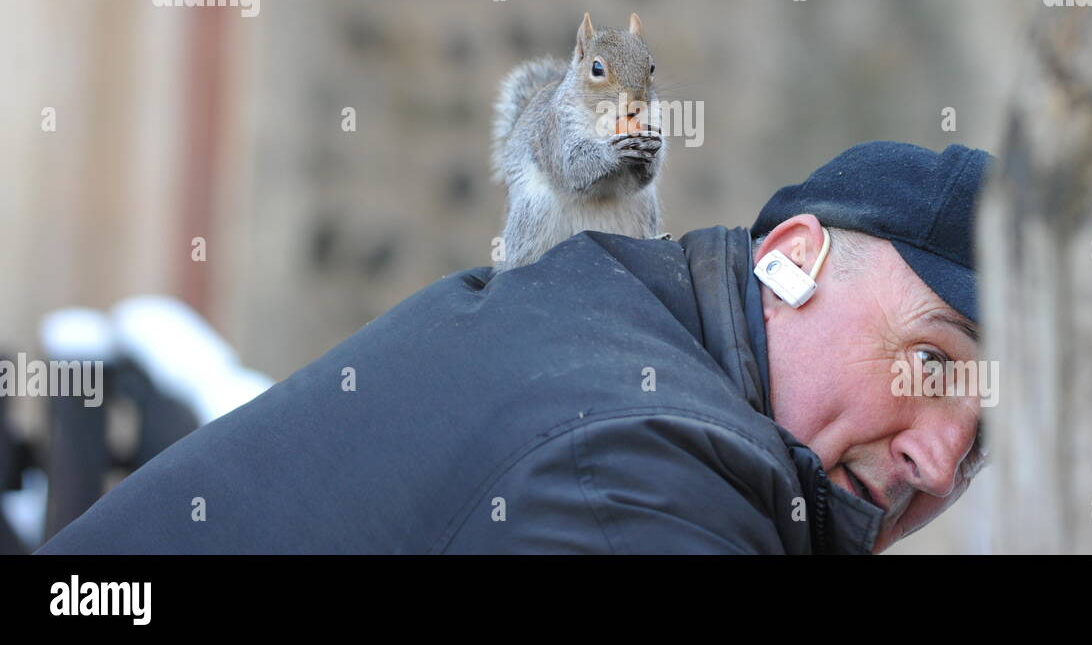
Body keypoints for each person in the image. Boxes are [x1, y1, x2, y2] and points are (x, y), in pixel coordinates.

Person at [38, 140, 993, 555]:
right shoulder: (643, 466)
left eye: (986, 433)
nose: (942, 459)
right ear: (793, 264)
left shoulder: (608, 331)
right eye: (932, 361)